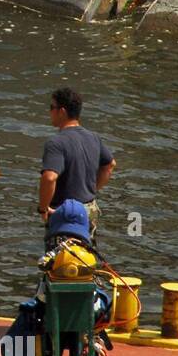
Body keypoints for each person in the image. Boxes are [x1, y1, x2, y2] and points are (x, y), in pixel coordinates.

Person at [37, 87, 116, 243]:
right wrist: (91, 190)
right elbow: (110, 165)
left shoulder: (56, 142)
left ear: (62, 111)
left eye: (52, 107)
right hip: (89, 208)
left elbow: (50, 178)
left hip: (64, 213)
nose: (50, 112)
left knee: (60, 261)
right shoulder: (93, 138)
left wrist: (43, 208)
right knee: (85, 257)